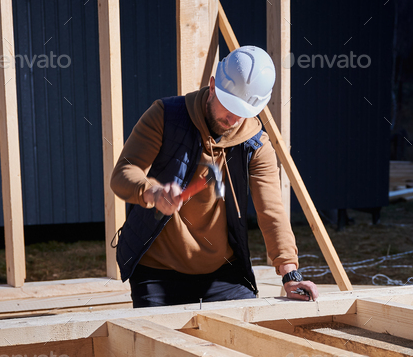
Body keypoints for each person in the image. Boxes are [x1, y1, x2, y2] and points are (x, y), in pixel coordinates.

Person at [110, 45, 318, 307]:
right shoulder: (165, 116)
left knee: (245, 339)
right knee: (163, 345)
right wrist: (153, 192)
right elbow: (123, 173)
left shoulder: (256, 145)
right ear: (212, 86)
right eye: (228, 106)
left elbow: (272, 212)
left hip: (224, 274)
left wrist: (290, 273)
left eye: (243, 112)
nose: (232, 119)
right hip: (158, 272)